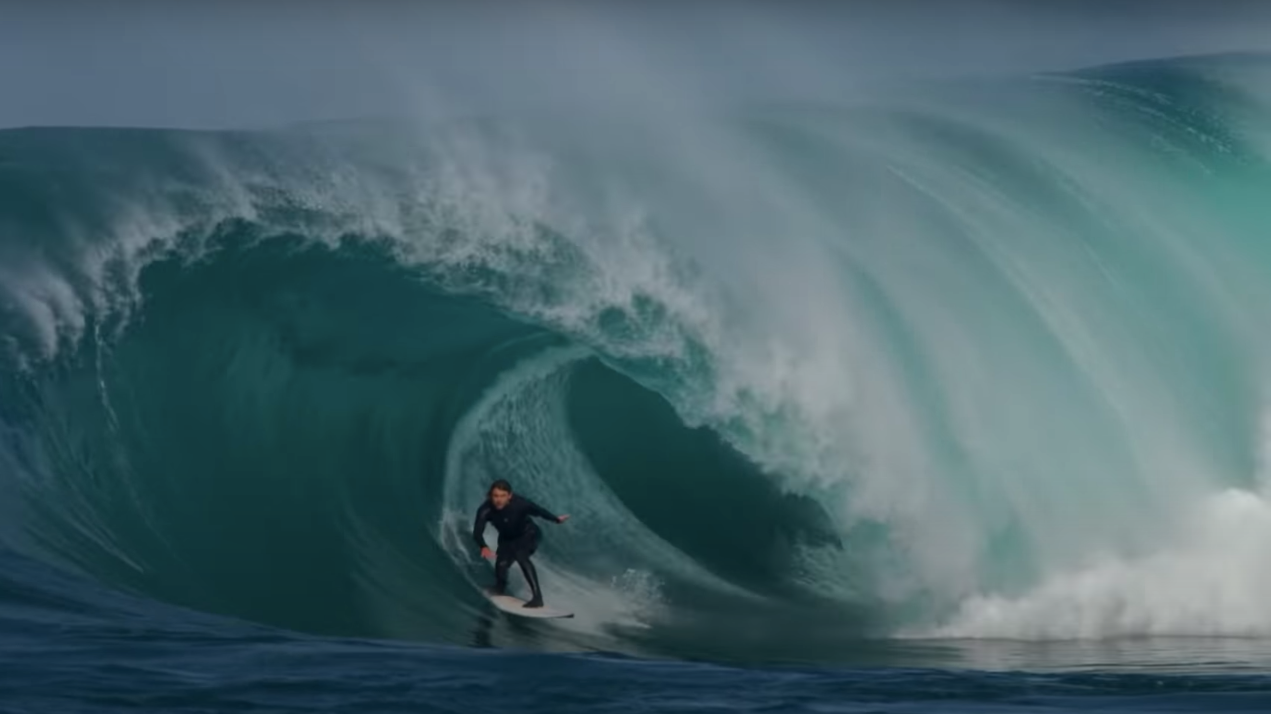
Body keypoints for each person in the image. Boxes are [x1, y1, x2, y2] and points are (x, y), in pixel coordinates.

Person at [472, 479, 569, 608]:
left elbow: (539, 511)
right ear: (490, 496)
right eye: (495, 496)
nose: (498, 500)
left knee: (520, 555)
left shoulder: (520, 504)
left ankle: (537, 598)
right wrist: (483, 546)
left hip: (529, 534)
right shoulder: (485, 510)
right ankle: (500, 588)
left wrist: (556, 519)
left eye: (502, 496)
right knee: (501, 564)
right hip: (507, 539)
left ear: (509, 496)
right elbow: (477, 532)